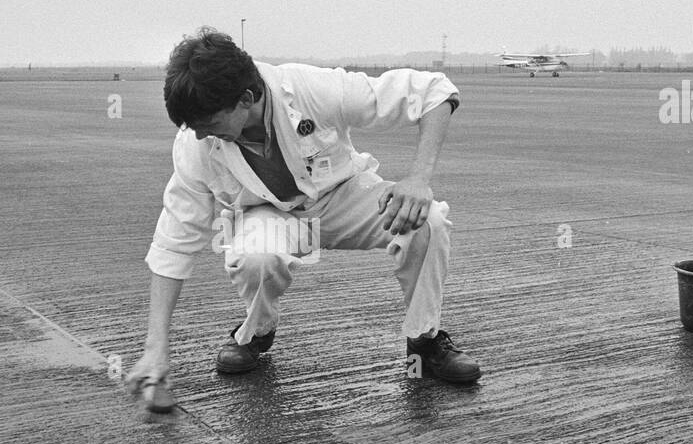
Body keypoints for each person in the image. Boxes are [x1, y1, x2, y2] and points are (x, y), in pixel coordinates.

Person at [124, 27, 481, 398]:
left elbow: (435, 91)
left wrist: (418, 179)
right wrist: (156, 350)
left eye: (209, 124)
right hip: (269, 214)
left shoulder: (313, 88)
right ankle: (256, 333)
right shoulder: (195, 144)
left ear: (246, 98)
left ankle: (424, 342)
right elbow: (174, 242)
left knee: (428, 222)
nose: (200, 136)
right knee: (254, 258)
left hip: (344, 196)